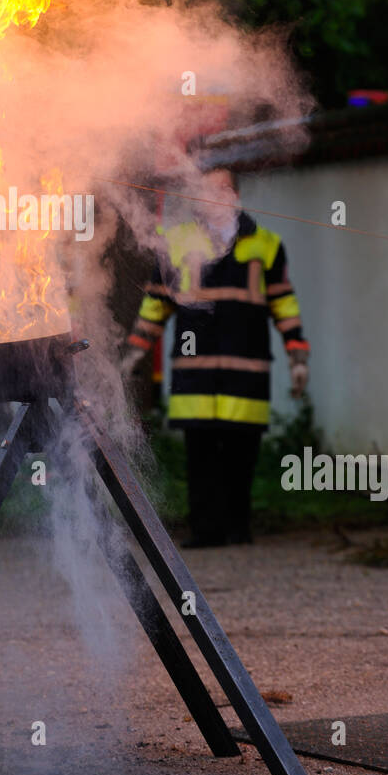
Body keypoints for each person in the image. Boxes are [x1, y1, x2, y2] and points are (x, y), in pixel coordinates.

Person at [124, 169, 309, 546]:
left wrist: (298, 356)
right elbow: (156, 303)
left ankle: (238, 529)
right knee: (201, 454)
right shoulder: (176, 243)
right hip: (196, 374)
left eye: (223, 188)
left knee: (242, 453)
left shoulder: (265, 245)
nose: (215, 196)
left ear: (236, 195)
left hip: (247, 370)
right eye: (207, 189)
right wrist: (135, 352)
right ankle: (205, 531)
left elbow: (284, 302)